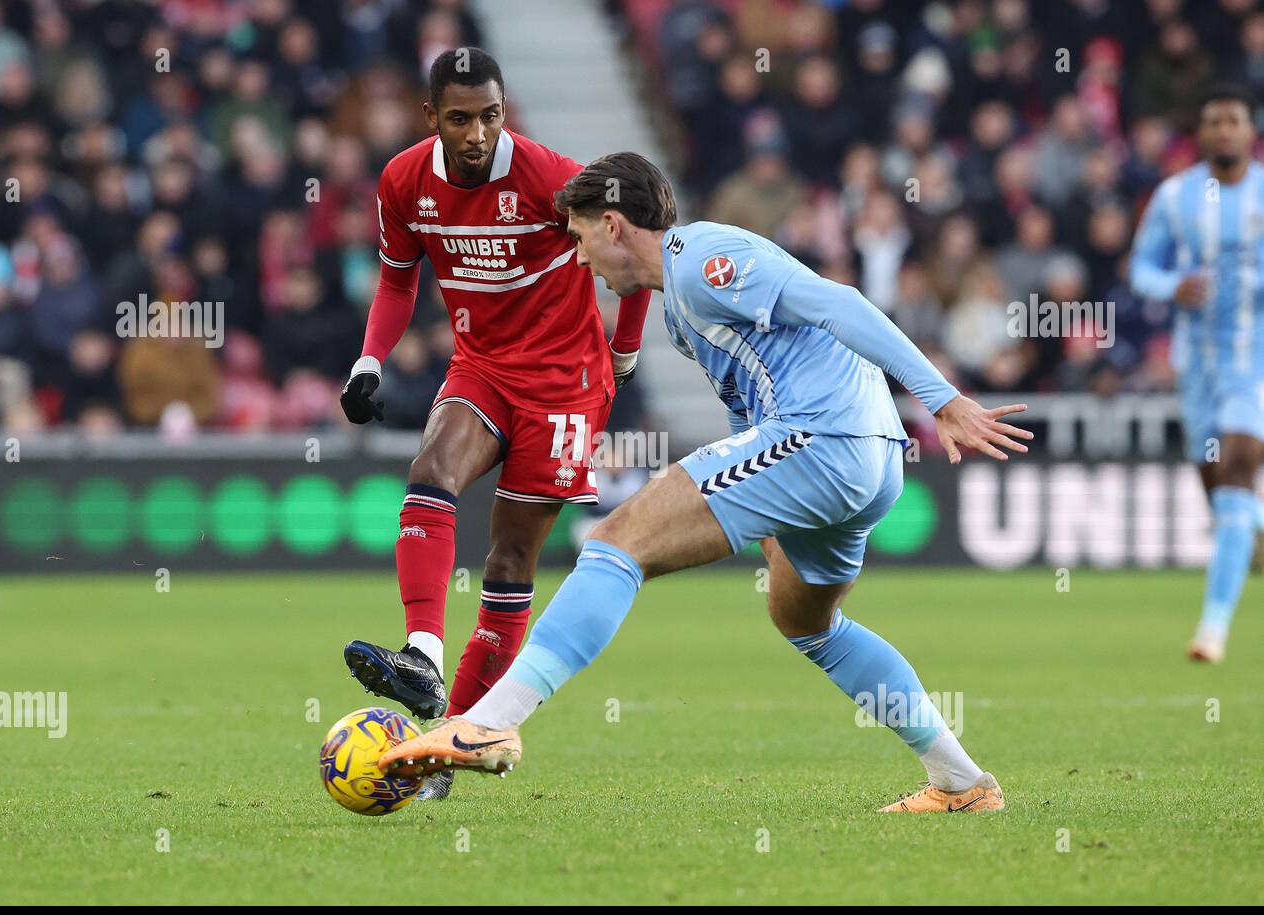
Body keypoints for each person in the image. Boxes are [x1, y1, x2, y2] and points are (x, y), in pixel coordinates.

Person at [378, 152, 1034, 813]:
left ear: (612, 226)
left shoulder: (703, 258)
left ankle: (491, 721)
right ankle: (962, 781)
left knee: (615, 541)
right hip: (861, 458)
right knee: (805, 620)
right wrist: (762, 512)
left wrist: (941, 398)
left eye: (578, 240)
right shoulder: (679, 314)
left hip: (825, 436)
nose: (579, 262)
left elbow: (843, 303)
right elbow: (750, 408)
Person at [338, 49, 651, 799]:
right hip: (481, 365)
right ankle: (420, 652)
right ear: (430, 117)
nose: (477, 134)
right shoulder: (404, 181)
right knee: (430, 472)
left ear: (504, 110)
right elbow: (395, 277)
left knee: (510, 562)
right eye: (459, 118)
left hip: (566, 383)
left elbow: (635, 243)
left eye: (489, 116)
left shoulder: (551, 178)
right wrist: (370, 360)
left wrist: (627, 347)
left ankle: (450, 739)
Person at [1131, 82, 1264, 663]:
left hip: (1255, 362)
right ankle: (1252, 534)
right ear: (1203, 134)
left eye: (1233, 120)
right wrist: (1170, 286)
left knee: (1237, 466)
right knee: (1218, 486)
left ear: (1249, 130)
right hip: (1198, 366)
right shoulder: (1174, 197)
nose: (1224, 131)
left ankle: (1212, 629)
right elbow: (1140, 267)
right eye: (1214, 122)